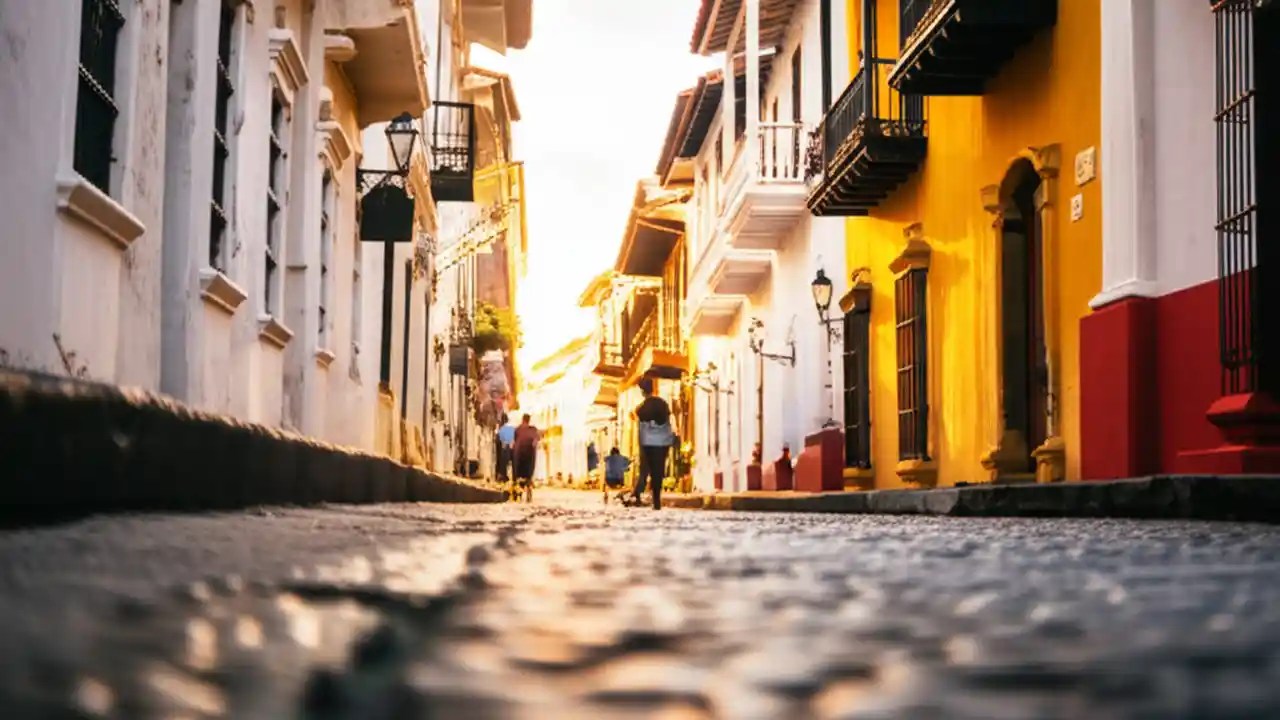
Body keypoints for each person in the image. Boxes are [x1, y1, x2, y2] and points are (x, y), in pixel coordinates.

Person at [633, 378, 673, 510]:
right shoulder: (663, 404)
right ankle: (656, 499)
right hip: (662, 442)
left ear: (643, 392)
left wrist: (641, 447)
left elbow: (641, 429)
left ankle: (639, 493)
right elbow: (668, 423)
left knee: (646, 469)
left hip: (648, 443)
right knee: (658, 471)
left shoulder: (642, 409)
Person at [512, 414, 539, 502]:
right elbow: (536, 439)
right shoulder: (533, 430)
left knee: (517, 476)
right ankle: (528, 493)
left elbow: (515, 441)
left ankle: (517, 494)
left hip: (519, 455)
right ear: (529, 420)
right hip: (529, 456)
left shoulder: (518, 429)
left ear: (522, 420)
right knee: (528, 477)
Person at [495, 414, 516, 483]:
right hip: (512, 449)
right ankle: (513, 477)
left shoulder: (501, 429)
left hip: (505, 448)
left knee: (503, 463)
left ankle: (503, 476)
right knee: (512, 465)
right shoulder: (512, 428)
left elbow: (500, 441)